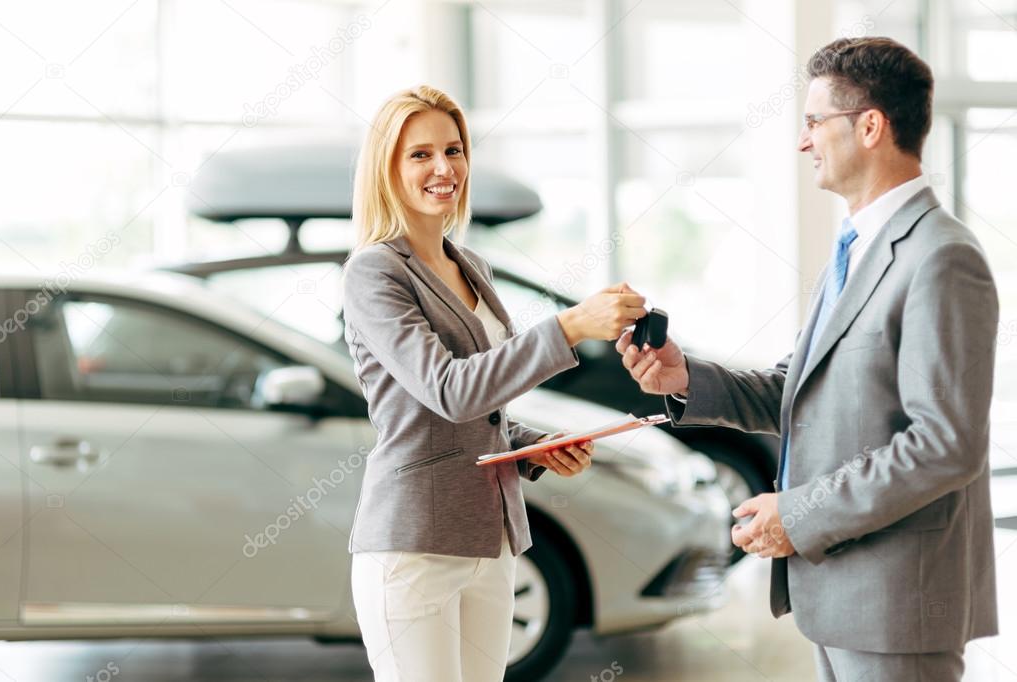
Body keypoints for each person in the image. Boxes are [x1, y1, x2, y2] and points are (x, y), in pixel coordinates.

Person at [618, 37, 998, 681]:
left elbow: (944, 444)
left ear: (871, 126)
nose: (804, 141)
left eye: (815, 121)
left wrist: (797, 514)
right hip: (846, 597)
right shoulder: (856, 248)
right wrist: (686, 378)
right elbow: (798, 387)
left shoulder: (941, 258)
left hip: (898, 603)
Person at [342, 85, 647, 682]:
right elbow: (448, 390)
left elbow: (479, 412)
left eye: (453, 150)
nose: (443, 168)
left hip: (493, 539)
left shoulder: (469, 265)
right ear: (386, 168)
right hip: (416, 544)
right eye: (420, 154)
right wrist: (569, 326)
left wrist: (531, 447)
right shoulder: (373, 271)